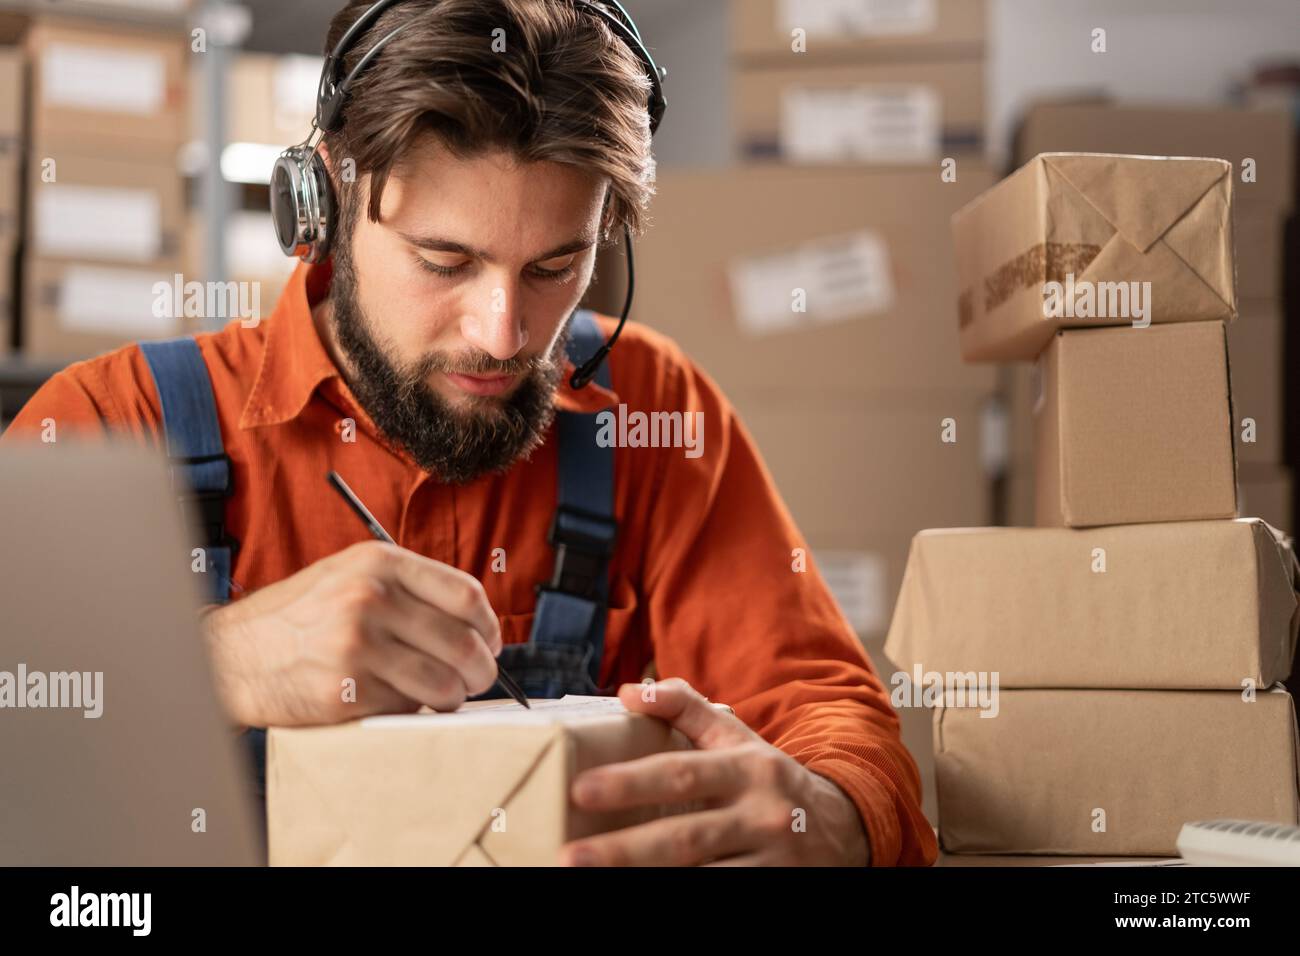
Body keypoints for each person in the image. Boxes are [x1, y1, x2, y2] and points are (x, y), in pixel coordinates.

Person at [1, 0, 935, 866]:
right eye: (445, 261)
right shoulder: (115, 424)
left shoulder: (651, 413)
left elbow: (825, 711)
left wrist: (832, 816)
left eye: (555, 265)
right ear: (320, 201)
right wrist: (211, 659)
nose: (503, 334)